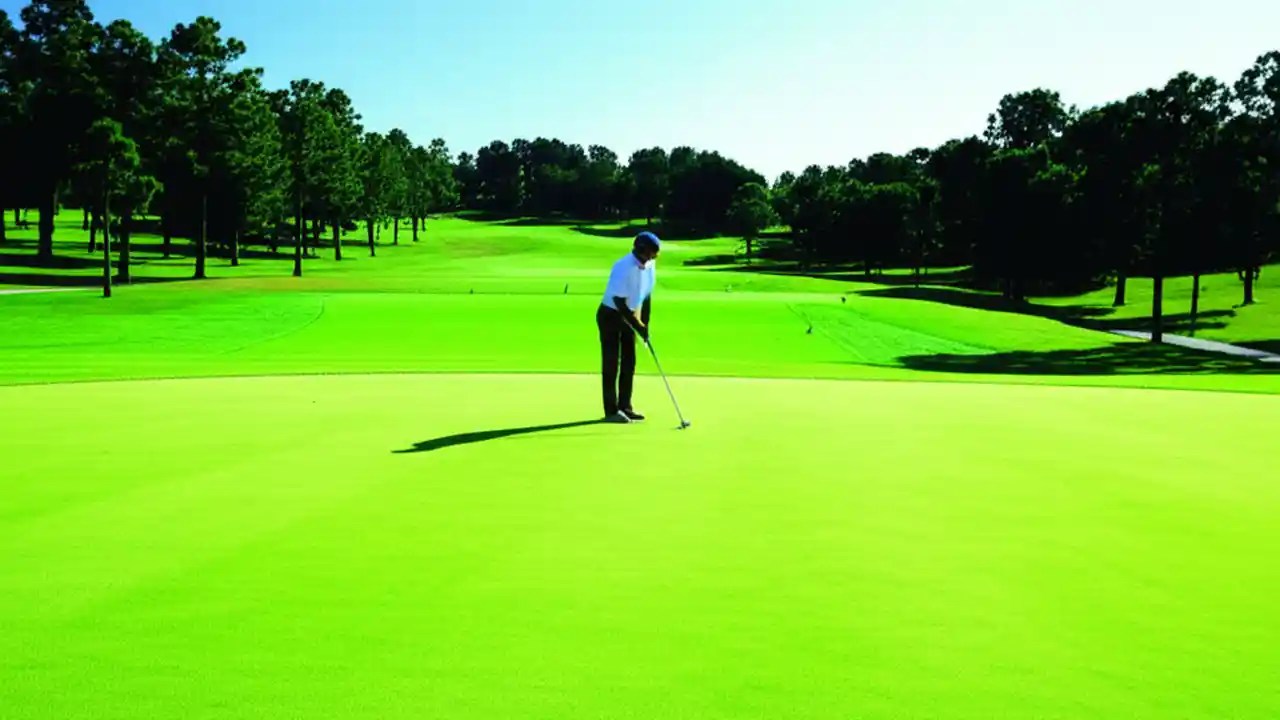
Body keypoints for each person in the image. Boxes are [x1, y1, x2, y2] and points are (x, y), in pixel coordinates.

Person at [596, 231, 660, 423]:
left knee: (629, 362)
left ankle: (626, 406)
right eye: (649, 254)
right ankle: (611, 411)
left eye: (654, 255)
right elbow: (619, 302)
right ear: (639, 250)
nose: (651, 258)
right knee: (611, 363)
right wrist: (638, 325)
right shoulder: (623, 267)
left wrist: (645, 325)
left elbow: (645, 296)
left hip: (630, 314)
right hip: (610, 315)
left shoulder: (649, 265)